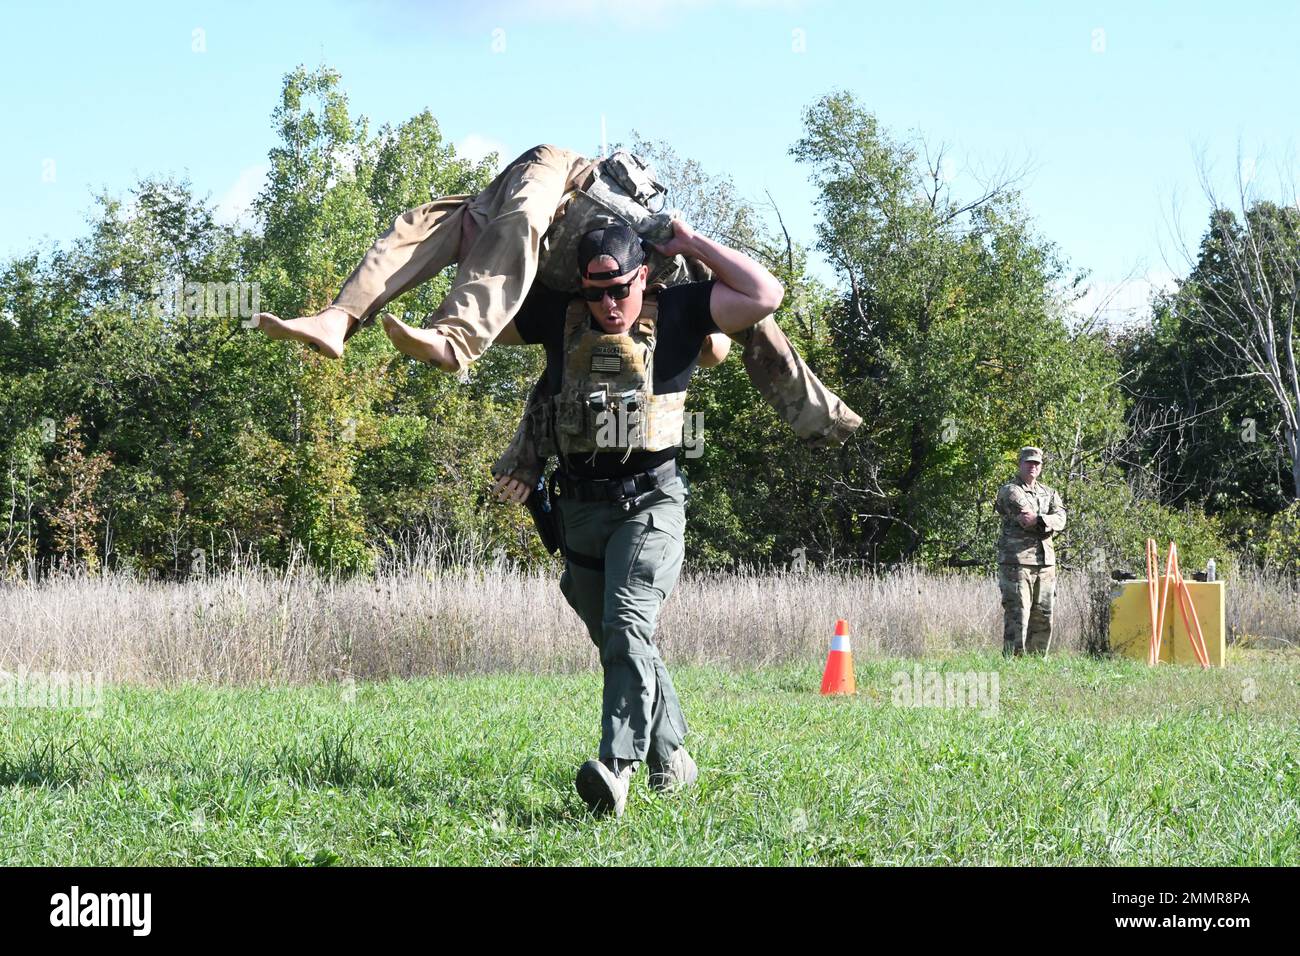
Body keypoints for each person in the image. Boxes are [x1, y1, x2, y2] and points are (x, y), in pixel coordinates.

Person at [249, 143, 861, 448]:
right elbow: (765, 301)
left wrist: (523, 455)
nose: (614, 311)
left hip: (554, 258)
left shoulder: (613, 308)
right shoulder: (665, 271)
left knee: (437, 223)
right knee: (502, 222)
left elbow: (551, 377)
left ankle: (342, 319)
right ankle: (439, 334)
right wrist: (691, 240)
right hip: (565, 181)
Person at [489, 220, 780, 816]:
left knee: (626, 625)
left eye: (620, 288)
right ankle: (672, 757)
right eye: (595, 292)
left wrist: (693, 243)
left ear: (641, 276)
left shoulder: (679, 312)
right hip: (579, 509)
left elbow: (763, 295)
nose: (608, 304)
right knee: (620, 638)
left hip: (652, 503)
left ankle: (615, 768)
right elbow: (485, 319)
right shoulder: (561, 317)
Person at [993, 446, 1067, 656]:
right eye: (1028, 462)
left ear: (1041, 466)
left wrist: (1041, 519)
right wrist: (1048, 521)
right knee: (1019, 613)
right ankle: (1013, 660)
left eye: (1037, 463)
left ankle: (1036, 661)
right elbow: (1026, 520)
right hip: (1018, 562)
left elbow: (1061, 520)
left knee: (1043, 613)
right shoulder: (1010, 490)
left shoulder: (1050, 493)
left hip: (1045, 563)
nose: (1032, 466)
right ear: (1020, 464)